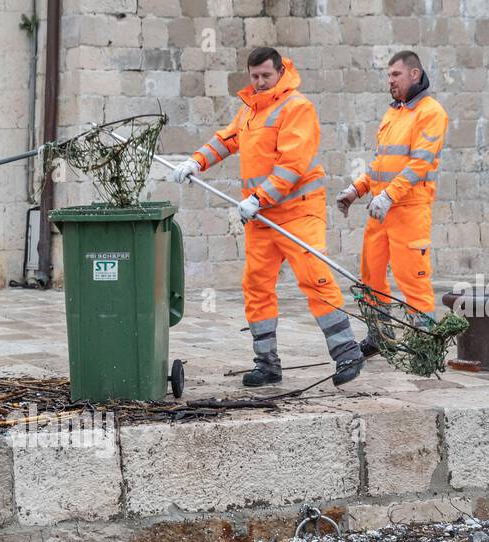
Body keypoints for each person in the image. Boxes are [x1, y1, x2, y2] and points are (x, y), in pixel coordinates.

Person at [174, 47, 362, 387]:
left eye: (266, 76)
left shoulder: (297, 107)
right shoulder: (250, 110)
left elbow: (292, 165)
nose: (260, 82)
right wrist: (195, 162)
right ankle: (267, 364)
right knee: (256, 286)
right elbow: (227, 140)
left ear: (280, 72)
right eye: (255, 76)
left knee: (314, 275)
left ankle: (347, 351)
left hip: (298, 211)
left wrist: (259, 198)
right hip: (260, 217)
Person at [336, 50, 449, 356]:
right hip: (380, 211)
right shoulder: (393, 113)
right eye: (388, 76)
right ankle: (379, 337)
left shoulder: (431, 112)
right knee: (371, 275)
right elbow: (381, 165)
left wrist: (389, 195)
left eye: (396, 75)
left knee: (412, 278)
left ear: (414, 74)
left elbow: (420, 163)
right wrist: (357, 189)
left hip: (408, 211)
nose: (390, 81)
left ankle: (424, 344)